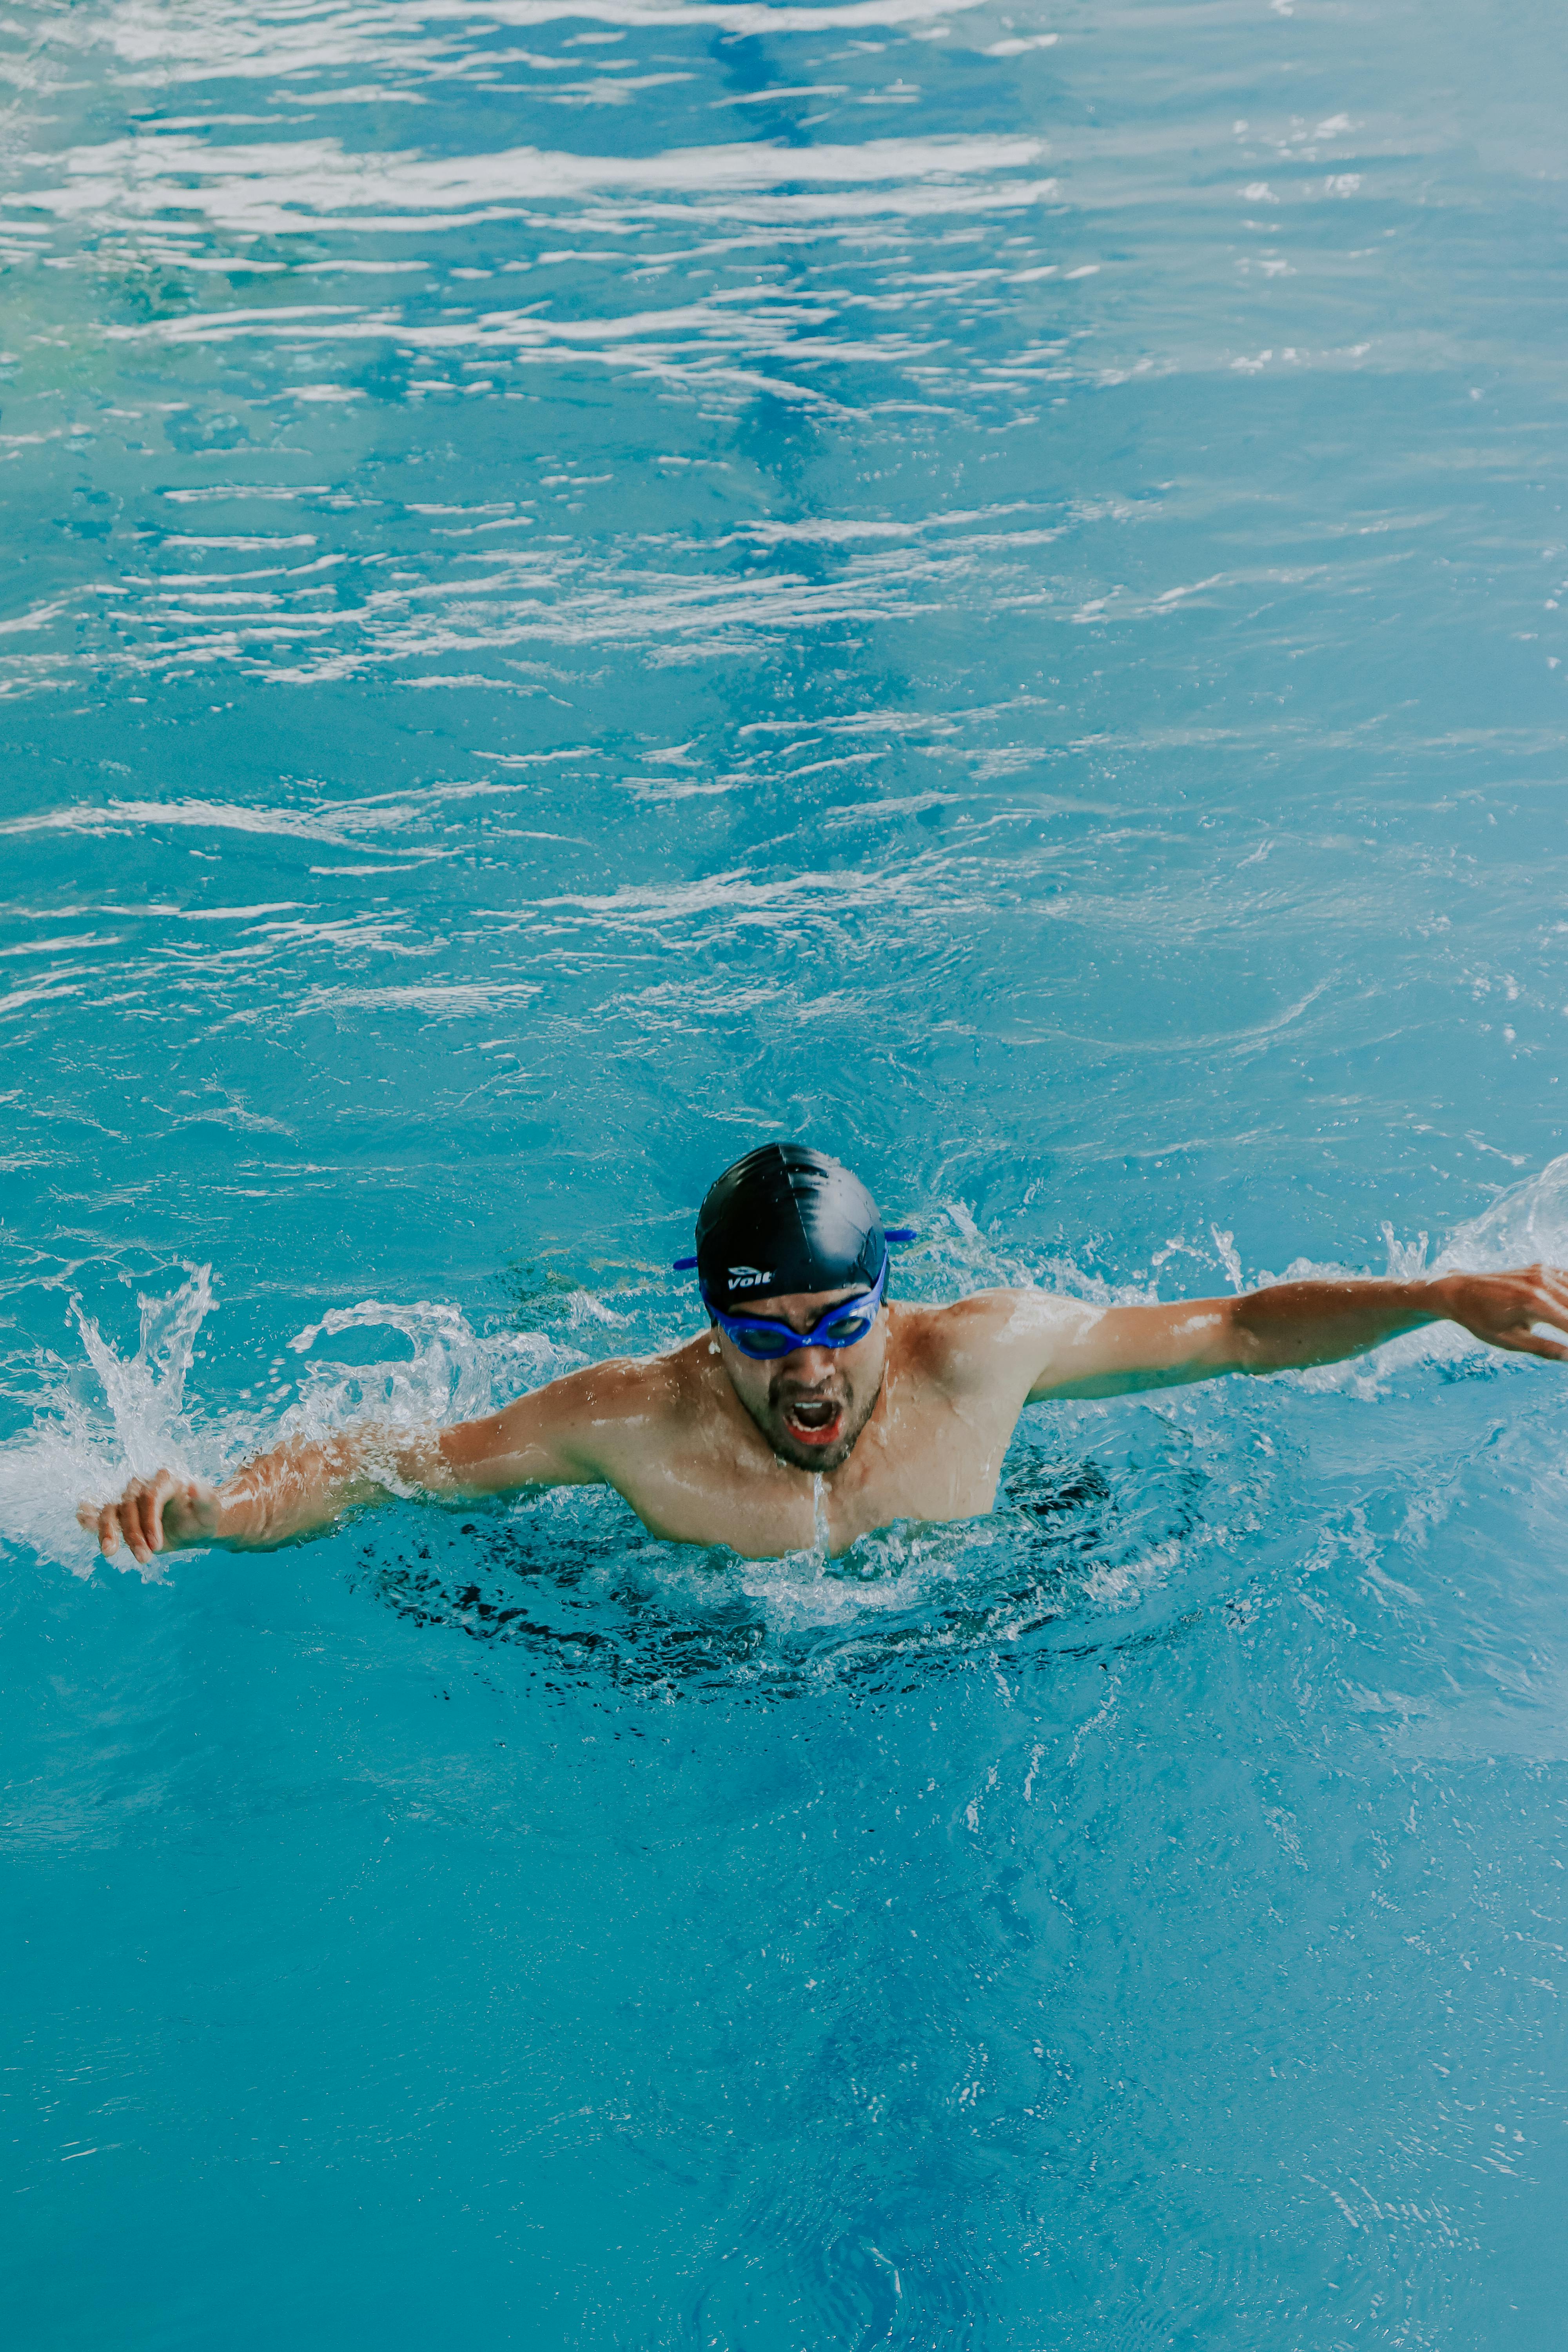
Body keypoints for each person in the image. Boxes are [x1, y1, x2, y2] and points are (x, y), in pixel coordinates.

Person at [81, 1141, 1568, 1567]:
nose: (806, 1376)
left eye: (835, 1332)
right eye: (759, 1339)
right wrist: (216, 1509)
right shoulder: (631, 1421)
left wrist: (1440, 1297)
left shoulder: (980, 1356)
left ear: (886, 1307)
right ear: (706, 1329)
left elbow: (1239, 1331)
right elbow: (389, 1459)